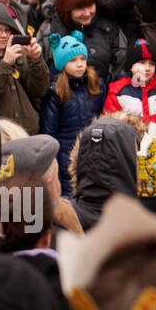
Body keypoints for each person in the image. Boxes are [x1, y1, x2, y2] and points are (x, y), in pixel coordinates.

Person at [39, 32, 105, 197]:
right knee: (71, 196)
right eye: (73, 60)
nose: (79, 65)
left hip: (94, 152)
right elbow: (49, 132)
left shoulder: (96, 84)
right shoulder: (55, 91)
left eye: (82, 59)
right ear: (62, 64)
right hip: (66, 156)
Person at [0, 0, 49, 135]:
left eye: (8, 30)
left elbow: (40, 91)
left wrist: (35, 60)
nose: (3, 35)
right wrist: (5, 64)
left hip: (29, 134)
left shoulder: (20, 53)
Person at [37, 0, 127, 83]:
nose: (87, 13)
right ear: (67, 10)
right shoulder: (49, 30)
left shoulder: (108, 27)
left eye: (90, 6)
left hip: (104, 93)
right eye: (80, 8)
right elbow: (41, 69)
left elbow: (121, 64)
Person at [104, 38, 156, 123]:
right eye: (141, 63)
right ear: (131, 67)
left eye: (152, 64)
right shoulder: (117, 93)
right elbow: (111, 126)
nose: (147, 68)